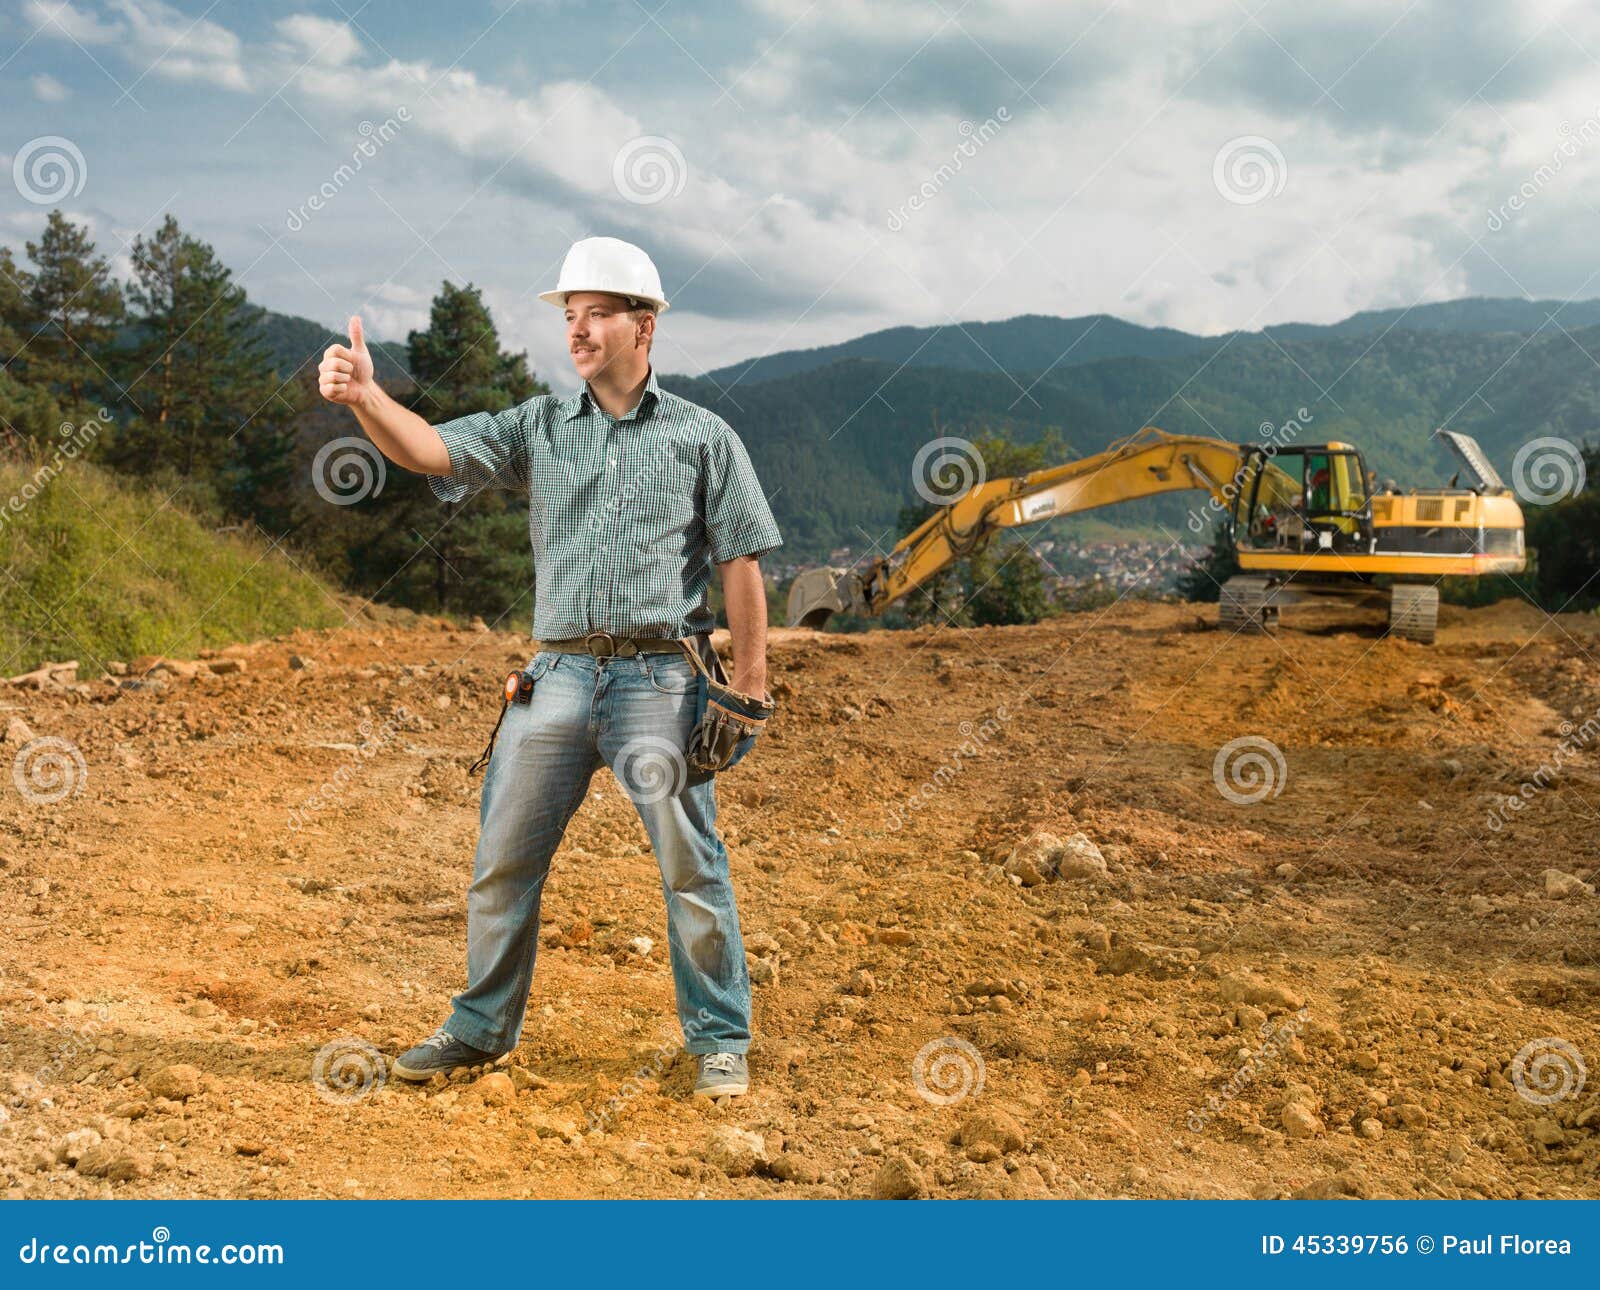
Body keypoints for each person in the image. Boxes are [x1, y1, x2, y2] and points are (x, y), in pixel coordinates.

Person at [316, 236, 782, 1099]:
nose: (578, 329)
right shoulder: (537, 427)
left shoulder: (702, 436)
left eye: (597, 313)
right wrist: (367, 397)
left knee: (691, 868)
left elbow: (743, 562)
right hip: (555, 678)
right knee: (501, 862)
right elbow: (428, 450)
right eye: (570, 315)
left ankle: (720, 1038)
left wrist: (746, 690)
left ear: (643, 328)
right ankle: (478, 1029)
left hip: (659, 680)